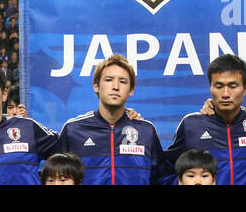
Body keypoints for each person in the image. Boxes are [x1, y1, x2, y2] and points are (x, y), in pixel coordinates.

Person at [165, 54, 246, 185]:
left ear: (245, 88)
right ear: (211, 88)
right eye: (219, 86)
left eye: (232, 86)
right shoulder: (191, 125)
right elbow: (165, 171)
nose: (225, 94)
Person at [57, 54, 167, 185]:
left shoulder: (146, 131)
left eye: (123, 81)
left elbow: (162, 178)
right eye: (109, 80)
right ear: (96, 86)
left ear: (131, 90)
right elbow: (53, 176)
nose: (115, 86)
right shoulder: (73, 130)